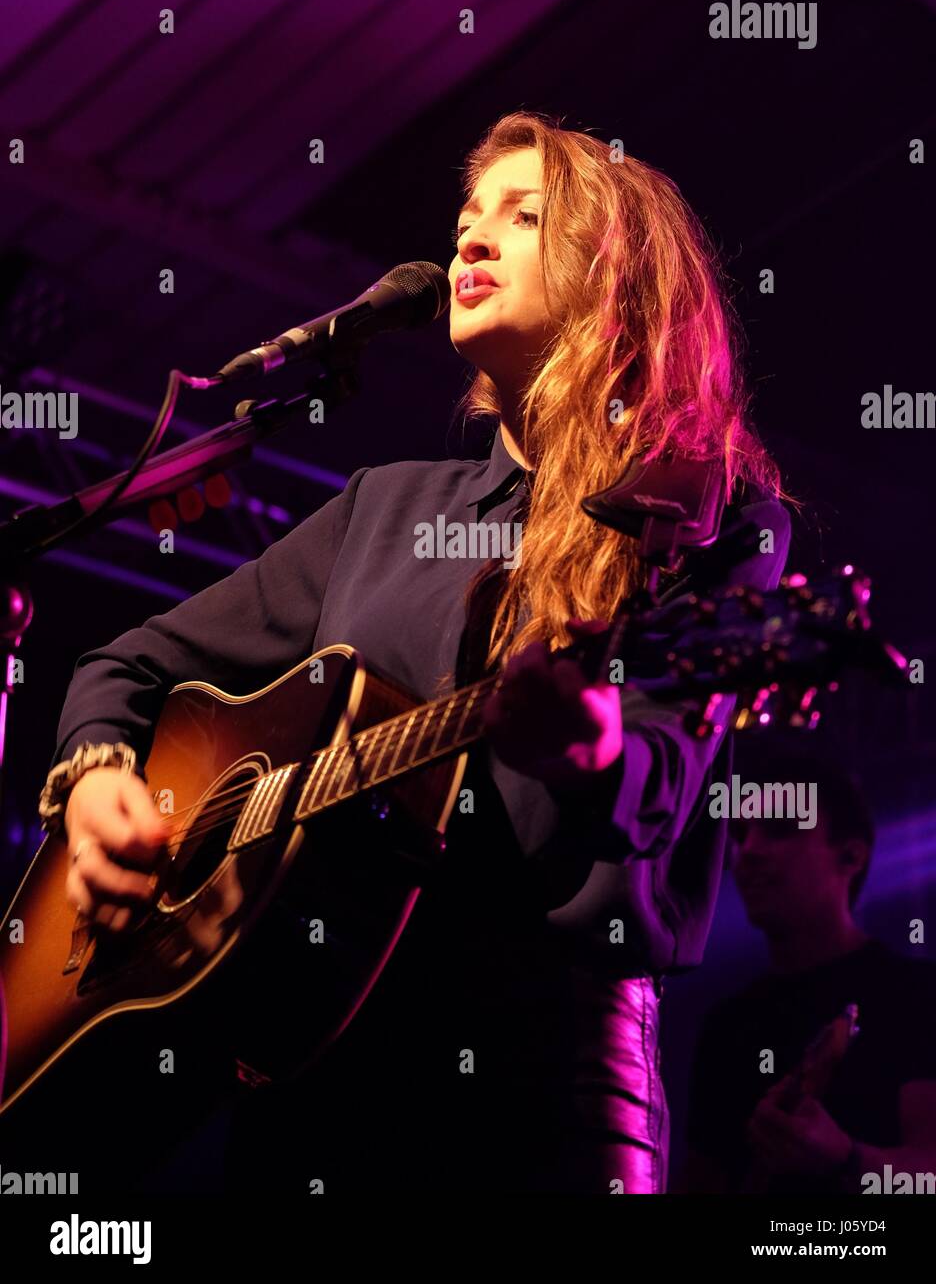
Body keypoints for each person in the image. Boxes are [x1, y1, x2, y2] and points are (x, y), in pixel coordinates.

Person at [38, 110, 790, 1194]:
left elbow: (663, 773)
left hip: (542, 1087)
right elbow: (123, 663)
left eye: (523, 216)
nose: (471, 241)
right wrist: (100, 776)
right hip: (308, 1070)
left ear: (620, 279)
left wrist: (589, 752)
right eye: (467, 217)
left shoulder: (711, 513)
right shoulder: (383, 509)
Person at [684, 743, 936, 1194]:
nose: (750, 852)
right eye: (740, 835)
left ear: (850, 857)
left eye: (780, 829)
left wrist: (845, 1158)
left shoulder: (918, 996)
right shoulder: (726, 1026)